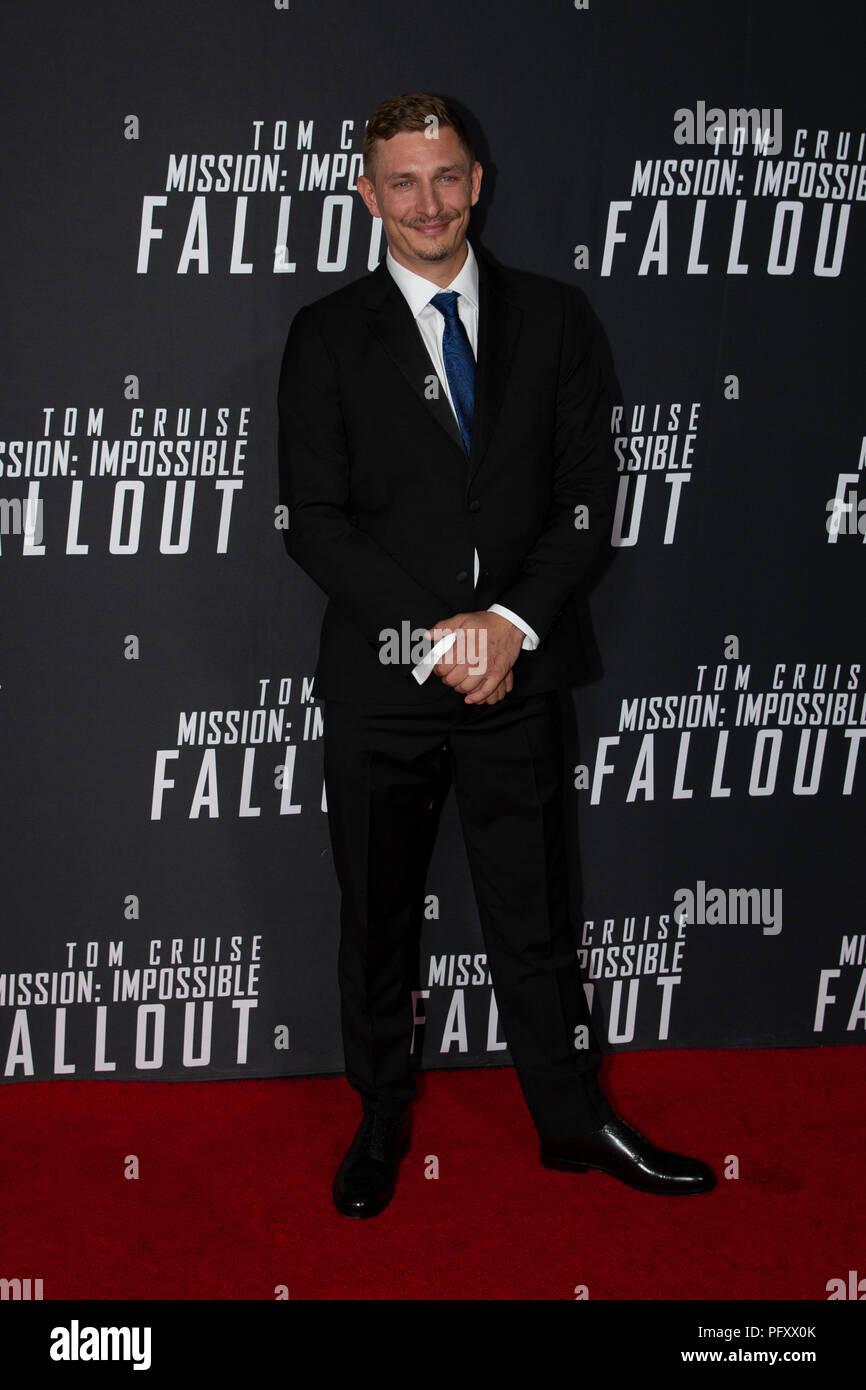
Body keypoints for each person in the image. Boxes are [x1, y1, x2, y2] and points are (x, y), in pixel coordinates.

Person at [277, 92, 715, 1217]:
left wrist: (505, 628)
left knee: (537, 916)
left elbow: (584, 503)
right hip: (384, 682)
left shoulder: (559, 319)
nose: (428, 202)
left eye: (447, 175)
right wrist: (443, 637)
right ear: (366, 195)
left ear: (479, 181)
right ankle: (379, 1120)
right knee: (375, 919)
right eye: (402, 182)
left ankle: (573, 1124)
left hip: (519, 675)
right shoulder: (324, 336)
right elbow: (315, 521)